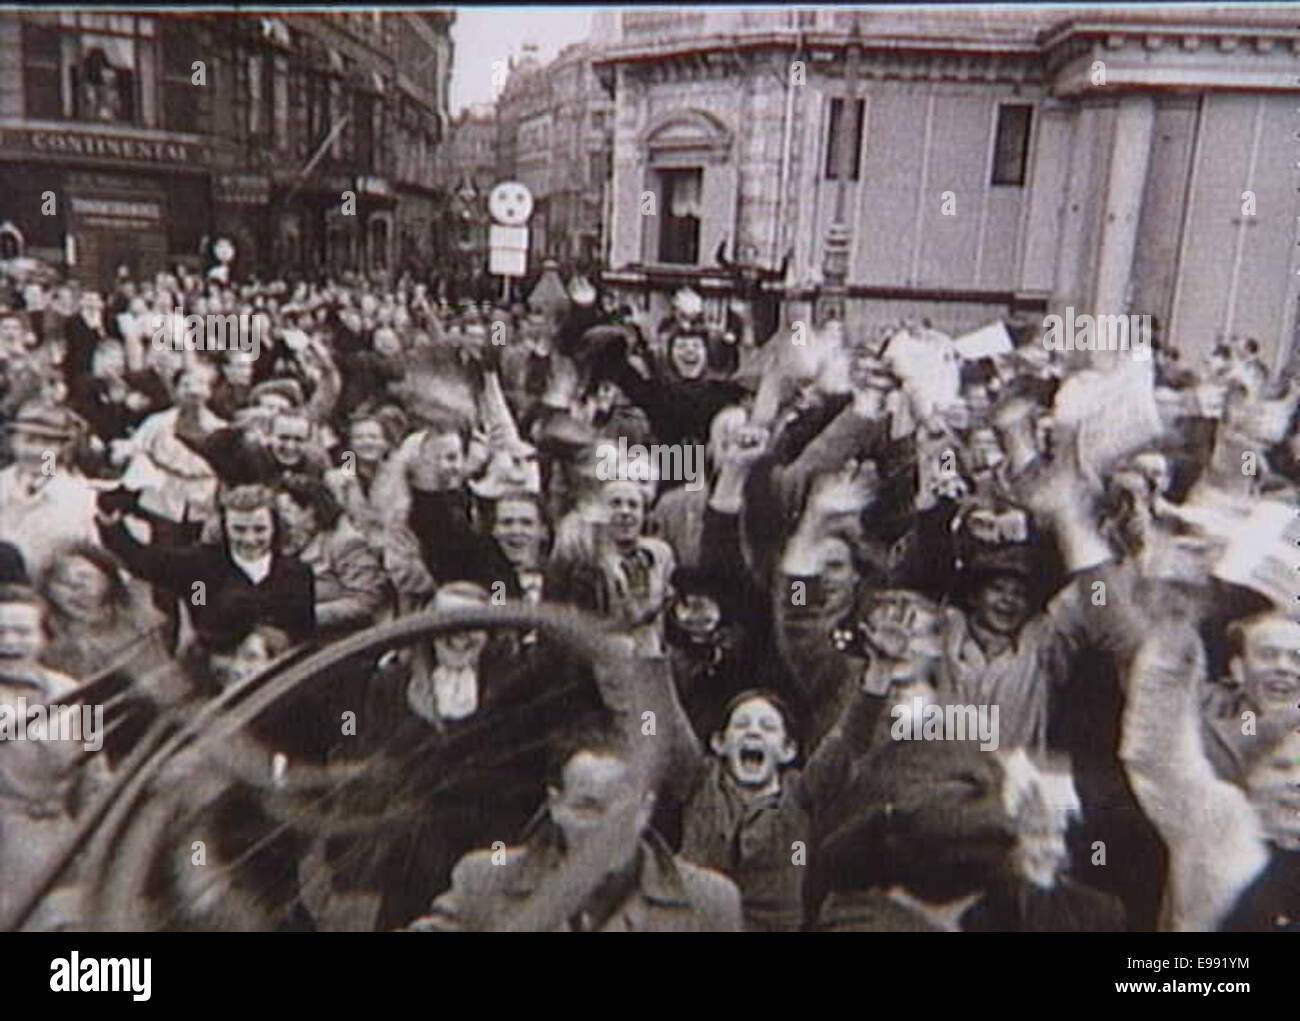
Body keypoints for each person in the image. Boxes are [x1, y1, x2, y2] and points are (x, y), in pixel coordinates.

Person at [408, 733, 744, 932]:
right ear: (555, 806)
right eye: (587, 808)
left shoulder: (710, 902)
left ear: (646, 808)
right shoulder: (485, 881)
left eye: (623, 809)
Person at [96, 482, 316, 649]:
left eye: (259, 530)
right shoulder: (200, 566)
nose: (249, 539)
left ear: (274, 527)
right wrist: (112, 526)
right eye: (239, 529)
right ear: (224, 526)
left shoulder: (297, 574)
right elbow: (141, 560)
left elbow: (303, 636)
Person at [0, 404, 99, 581]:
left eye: (47, 443)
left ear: (62, 448)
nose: (37, 451)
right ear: (13, 442)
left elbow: (86, 549)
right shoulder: (4, 483)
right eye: (29, 440)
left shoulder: (76, 494)